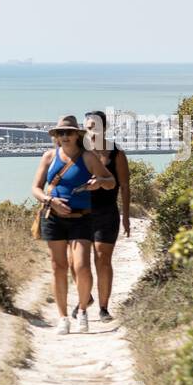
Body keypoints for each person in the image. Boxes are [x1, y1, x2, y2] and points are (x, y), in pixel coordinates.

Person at [31, 115, 115, 334]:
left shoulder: (88, 157)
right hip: (53, 217)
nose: (64, 136)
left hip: (81, 218)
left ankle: (84, 312)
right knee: (58, 267)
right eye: (60, 133)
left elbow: (111, 182)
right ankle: (62, 317)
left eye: (68, 132)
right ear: (56, 137)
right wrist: (51, 201)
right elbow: (36, 189)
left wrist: (99, 182)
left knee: (81, 266)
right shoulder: (49, 157)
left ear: (77, 135)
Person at [76, 110, 130, 322]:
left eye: (95, 127)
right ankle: (85, 297)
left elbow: (125, 186)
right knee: (78, 263)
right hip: (80, 214)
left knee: (102, 259)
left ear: (105, 128)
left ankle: (104, 308)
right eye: (88, 127)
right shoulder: (78, 153)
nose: (91, 131)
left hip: (107, 214)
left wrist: (126, 216)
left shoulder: (116, 154)